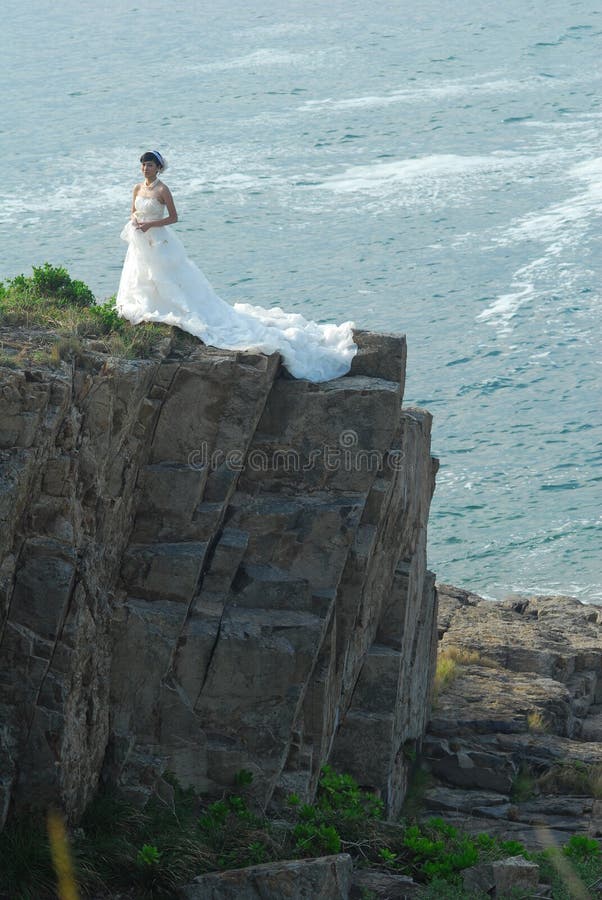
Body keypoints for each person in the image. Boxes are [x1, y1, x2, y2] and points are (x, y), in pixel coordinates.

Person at [116, 151, 357, 382]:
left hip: (159, 240)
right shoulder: (137, 188)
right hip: (140, 240)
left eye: (149, 164)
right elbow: (133, 212)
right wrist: (136, 222)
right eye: (143, 164)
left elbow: (174, 217)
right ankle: (148, 305)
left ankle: (173, 307)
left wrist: (151, 225)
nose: (145, 168)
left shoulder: (162, 189)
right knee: (140, 275)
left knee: (165, 276)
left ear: (158, 167)